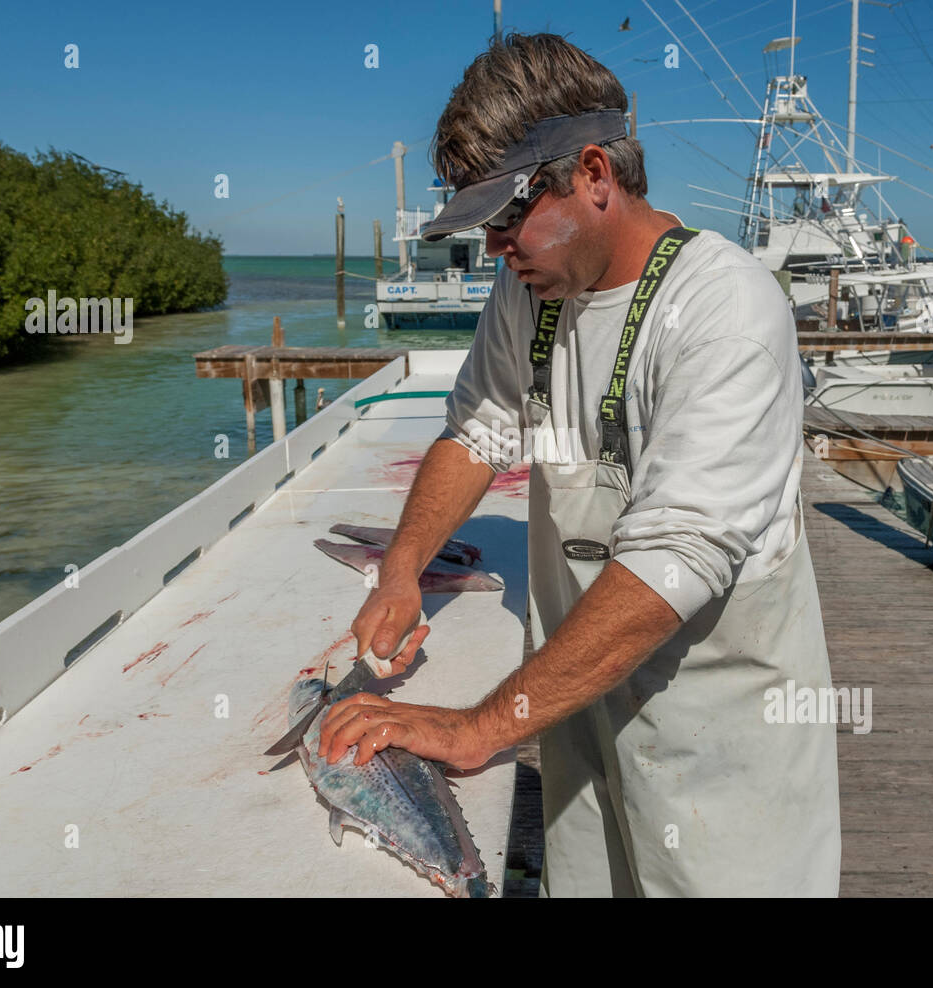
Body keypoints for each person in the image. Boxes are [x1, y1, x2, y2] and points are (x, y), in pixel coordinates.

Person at [317, 32, 840, 897]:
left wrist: (477, 728)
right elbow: (477, 432)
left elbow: (677, 559)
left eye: (505, 217)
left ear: (594, 174)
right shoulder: (530, 292)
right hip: (575, 705)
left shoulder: (726, 308)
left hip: (720, 743)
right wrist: (402, 570)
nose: (493, 248)